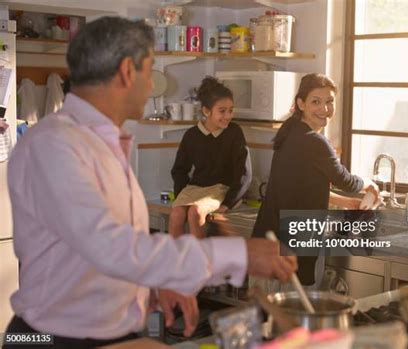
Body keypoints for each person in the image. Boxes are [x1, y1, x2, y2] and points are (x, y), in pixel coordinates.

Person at [3, 17, 297, 349]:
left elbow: (100, 250)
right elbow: (111, 247)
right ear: (128, 71)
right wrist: (239, 253)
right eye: (150, 70)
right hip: (45, 339)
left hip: (102, 332)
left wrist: (151, 283)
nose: (152, 84)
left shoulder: (101, 142)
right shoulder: (56, 144)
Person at [252, 73, 379, 286]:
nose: (325, 109)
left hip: (269, 239)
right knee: (292, 315)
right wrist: (370, 183)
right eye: (316, 102)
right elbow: (345, 180)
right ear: (301, 103)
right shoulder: (314, 141)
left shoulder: (291, 131)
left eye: (329, 102)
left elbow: (302, 186)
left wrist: (347, 203)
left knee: (269, 315)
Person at [169, 77, 251, 238]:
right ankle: (176, 260)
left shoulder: (234, 133)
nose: (228, 115)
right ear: (206, 111)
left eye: (230, 110)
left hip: (222, 189)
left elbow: (244, 174)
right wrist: (181, 196)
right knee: (176, 214)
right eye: (222, 111)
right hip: (195, 188)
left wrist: (228, 203)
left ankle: (201, 262)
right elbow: (179, 170)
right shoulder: (192, 135)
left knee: (195, 213)